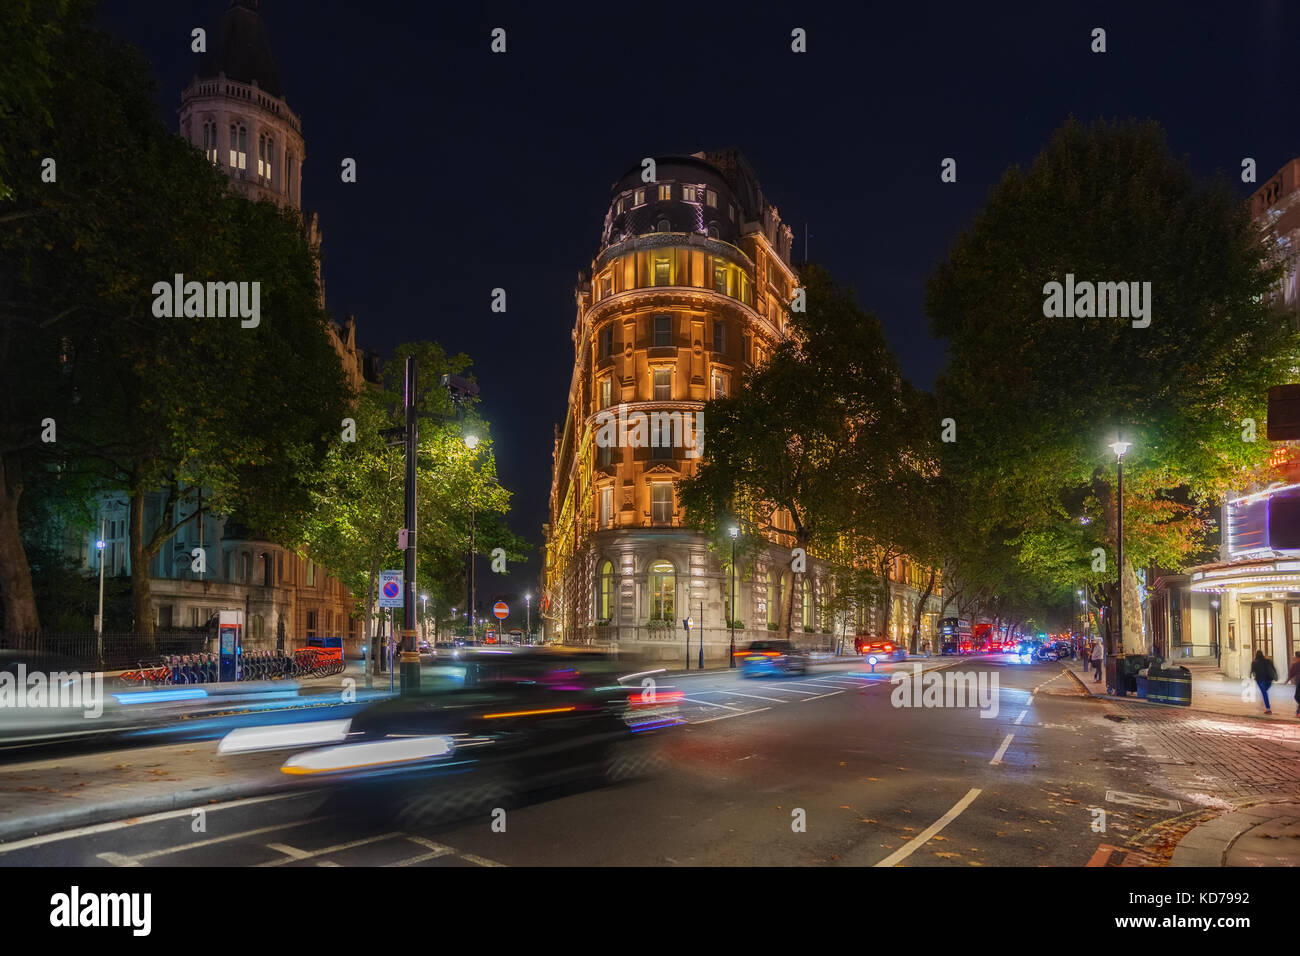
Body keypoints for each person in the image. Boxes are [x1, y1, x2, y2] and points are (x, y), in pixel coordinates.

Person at [1250, 650, 1278, 715]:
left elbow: (1253, 672)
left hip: (1260, 680)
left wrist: (1254, 677)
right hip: (1269, 680)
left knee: (1264, 693)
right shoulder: (1268, 661)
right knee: (1264, 693)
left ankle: (1268, 709)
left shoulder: (1254, 662)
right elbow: (1273, 669)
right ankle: (1265, 702)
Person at [1288, 652, 1300, 718]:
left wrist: (1287, 680)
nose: (1294, 658)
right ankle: (1298, 711)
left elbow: (1291, 673)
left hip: (1299, 682)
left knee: (1297, 696)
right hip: (1298, 682)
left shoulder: (1295, 665)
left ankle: (1298, 711)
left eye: (1295, 657)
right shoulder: (1295, 664)